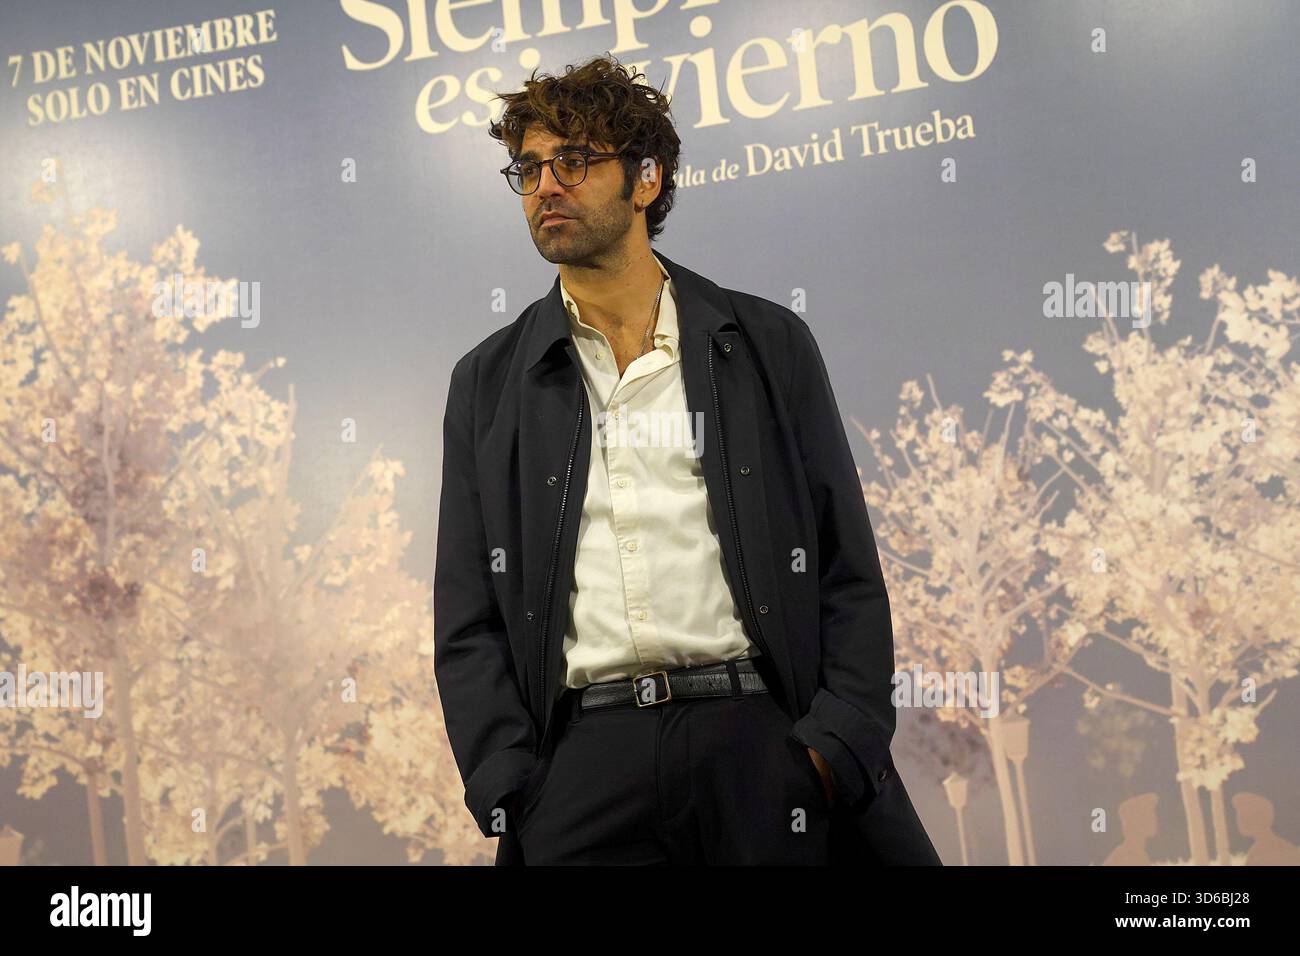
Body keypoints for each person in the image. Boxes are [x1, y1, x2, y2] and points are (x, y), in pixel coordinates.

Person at [434, 53, 940, 865]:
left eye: (573, 161)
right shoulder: (488, 383)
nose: (545, 187)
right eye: (527, 168)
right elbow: (466, 619)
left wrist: (832, 745)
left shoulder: (768, 344)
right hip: (580, 775)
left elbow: (848, 567)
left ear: (646, 179)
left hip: (761, 753)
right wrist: (510, 781)